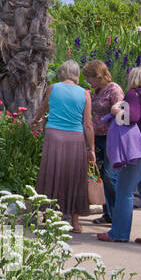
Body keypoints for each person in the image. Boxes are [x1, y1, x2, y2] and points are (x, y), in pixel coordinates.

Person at [98, 66, 141, 247]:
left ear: (133, 79)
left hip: (140, 149)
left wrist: (114, 111)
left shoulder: (134, 94)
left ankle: (119, 233)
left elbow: (132, 117)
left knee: (124, 191)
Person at [32, 60, 94, 234]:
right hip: (75, 138)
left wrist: (35, 121)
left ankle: (52, 217)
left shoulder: (53, 88)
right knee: (75, 178)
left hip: (54, 137)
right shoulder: (85, 94)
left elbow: (43, 108)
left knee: (52, 174)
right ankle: (75, 223)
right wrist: (91, 149)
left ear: (61, 73)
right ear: (76, 74)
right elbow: (88, 124)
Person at [83, 60, 124, 226]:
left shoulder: (114, 89)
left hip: (110, 137)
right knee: (99, 176)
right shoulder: (97, 90)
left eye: (89, 77)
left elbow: (121, 112)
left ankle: (117, 213)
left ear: (97, 76)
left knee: (109, 175)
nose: (87, 80)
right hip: (97, 137)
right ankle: (107, 212)